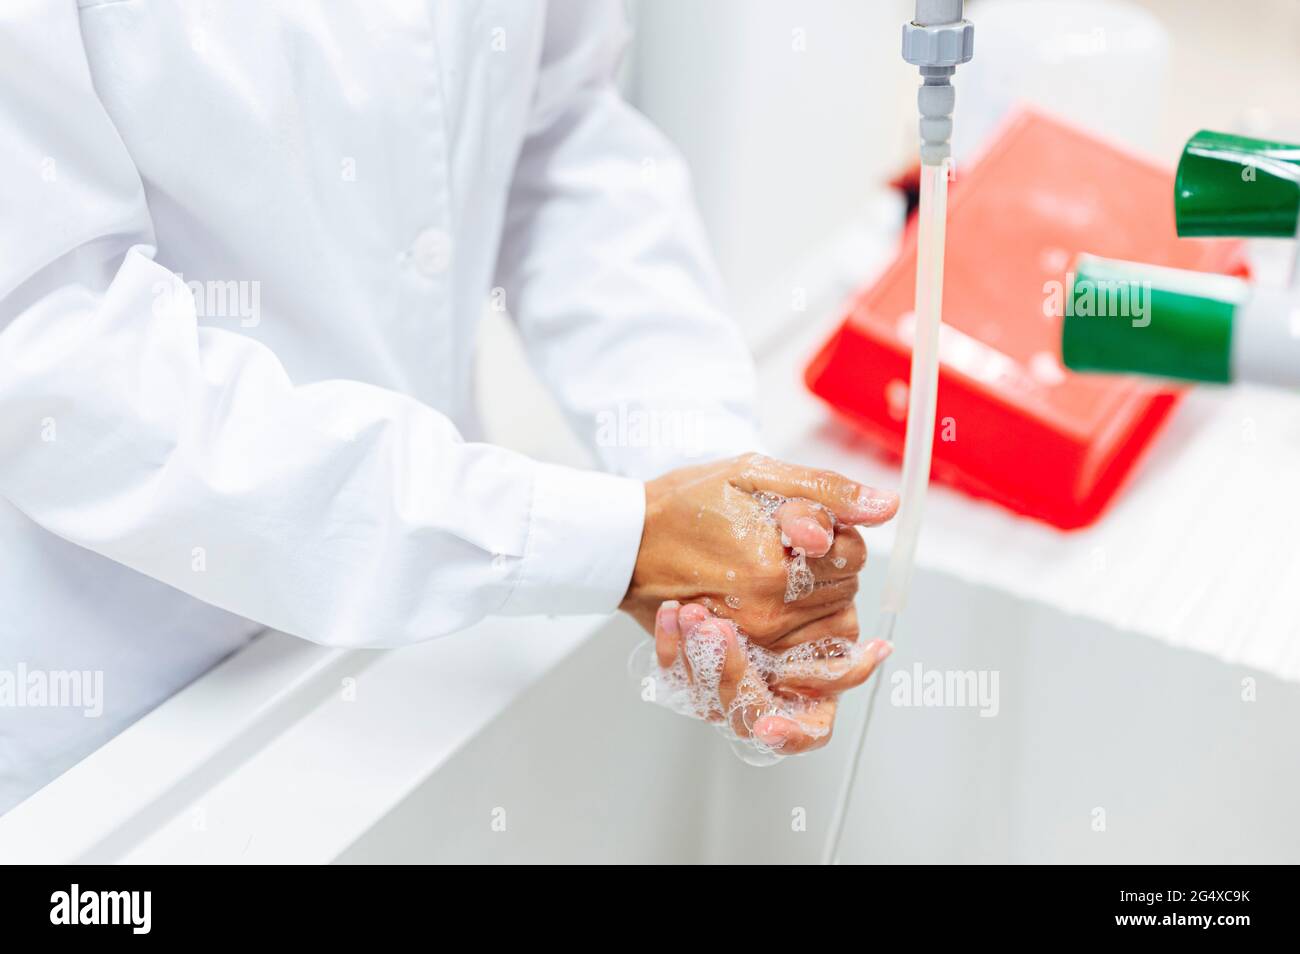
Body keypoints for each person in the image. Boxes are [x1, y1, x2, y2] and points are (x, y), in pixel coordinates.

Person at [0, 0, 896, 812]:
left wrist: (712, 488)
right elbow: (62, 360)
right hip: (131, 707)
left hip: (426, 637)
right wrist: (613, 540)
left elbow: (559, 135)